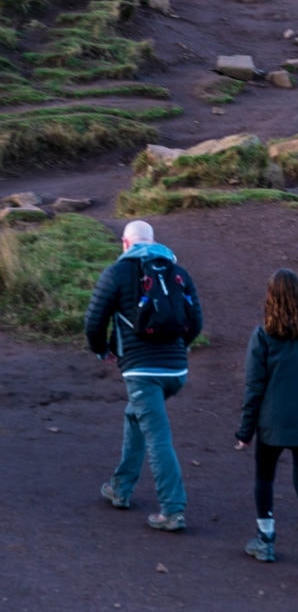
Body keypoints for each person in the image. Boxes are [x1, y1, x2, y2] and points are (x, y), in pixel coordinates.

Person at [84, 219, 202, 531]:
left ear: (125, 243)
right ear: (152, 241)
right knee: (135, 416)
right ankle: (120, 489)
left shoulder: (117, 273)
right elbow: (196, 322)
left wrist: (102, 350)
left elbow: (94, 321)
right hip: (177, 370)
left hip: (141, 369)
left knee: (158, 437)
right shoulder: (179, 273)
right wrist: (178, 350)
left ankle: (173, 510)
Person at [236, 269, 298, 582]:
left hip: (272, 422)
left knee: (264, 478)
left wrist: (245, 431)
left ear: (271, 297)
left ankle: (265, 540)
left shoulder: (264, 335)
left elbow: (254, 386)